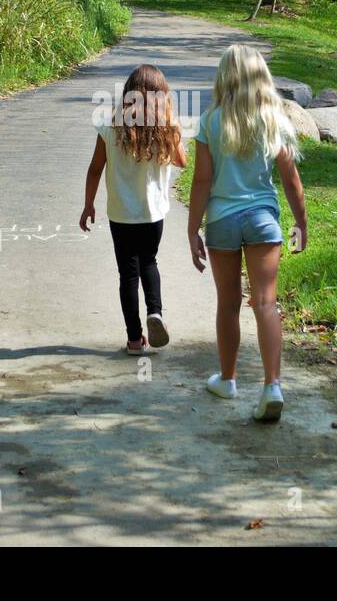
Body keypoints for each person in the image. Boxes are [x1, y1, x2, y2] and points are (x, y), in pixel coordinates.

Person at [188, 44, 307, 422]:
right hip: (263, 221)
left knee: (229, 303)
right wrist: (301, 222)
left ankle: (227, 379)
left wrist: (193, 229)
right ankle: (272, 386)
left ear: (225, 76)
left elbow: (202, 180)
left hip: (222, 220)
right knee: (265, 303)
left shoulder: (210, 120)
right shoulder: (273, 119)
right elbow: (291, 180)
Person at [80, 64, 187, 353]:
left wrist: (88, 204)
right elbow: (182, 162)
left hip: (121, 214)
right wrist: (171, 121)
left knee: (127, 273)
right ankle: (156, 312)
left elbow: (95, 168)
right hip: (152, 214)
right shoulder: (165, 129)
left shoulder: (110, 127)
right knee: (149, 262)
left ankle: (133, 338)